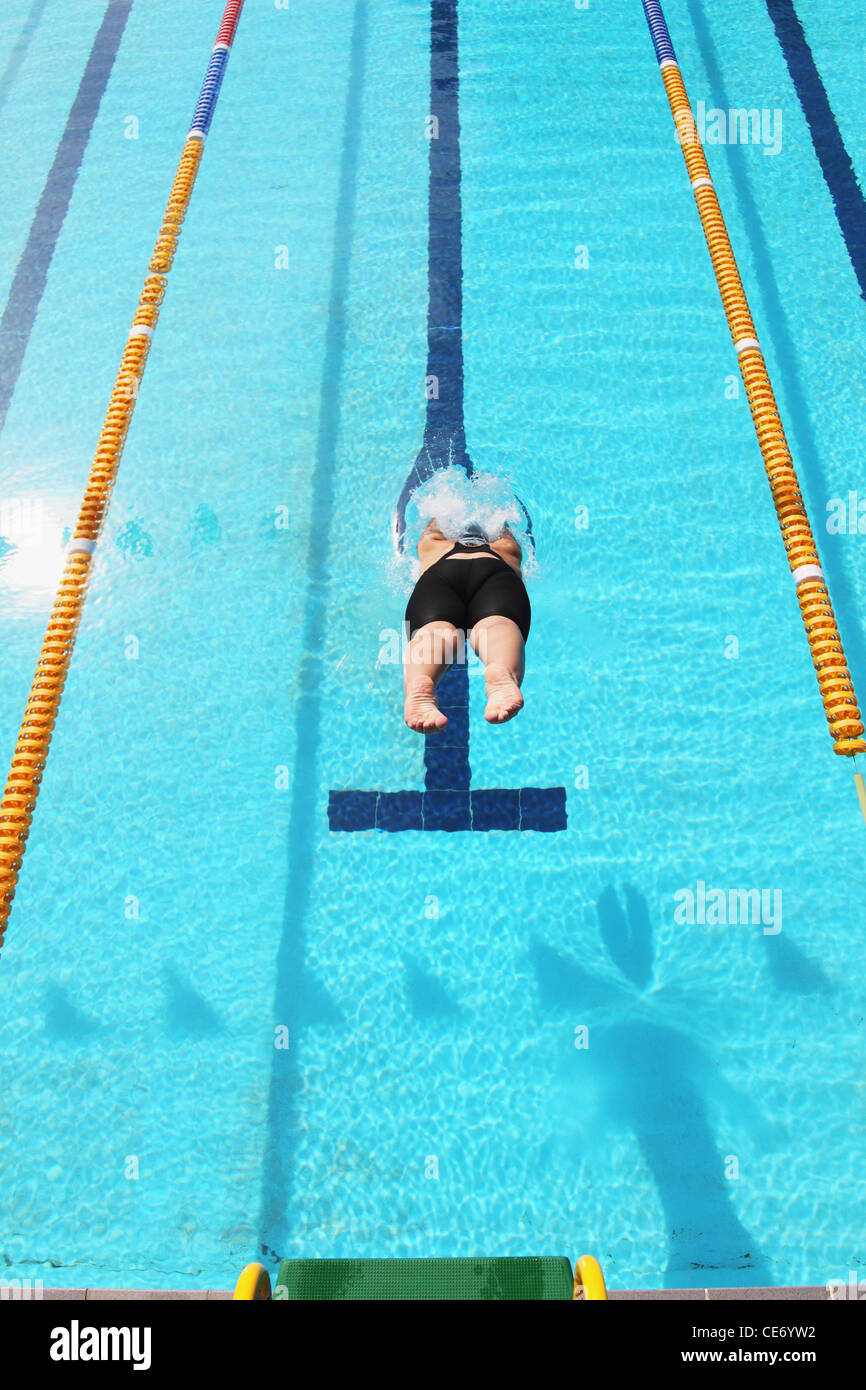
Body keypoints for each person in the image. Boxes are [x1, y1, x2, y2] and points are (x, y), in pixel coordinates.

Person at [403, 518, 531, 733]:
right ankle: (502, 671)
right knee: (496, 626)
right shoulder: (506, 545)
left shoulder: (433, 542)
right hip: (495, 571)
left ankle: (421, 680)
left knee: (436, 633)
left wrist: (435, 518)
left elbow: (433, 522)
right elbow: (502, 522)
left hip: (440, 572)